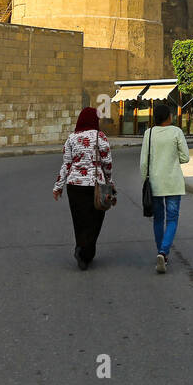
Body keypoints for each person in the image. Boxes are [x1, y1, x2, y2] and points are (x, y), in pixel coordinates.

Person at [53, 107, 114, 270]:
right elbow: (107, 163)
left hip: (74, 186)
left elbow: (66, 164)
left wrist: (58, 186)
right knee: (96, 219)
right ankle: (86, 252)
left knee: (79, 220)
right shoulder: (100, 137)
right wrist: (110, 181)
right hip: (96, 185)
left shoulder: (71, 138)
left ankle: (82, 250)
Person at [140, 102, 189, 274]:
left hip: (155, 183)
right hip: (173, 182)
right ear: (169, 117)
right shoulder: (176, 132)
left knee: (158, 219)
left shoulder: (149, 133)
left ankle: (161, 251)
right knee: (173, 219)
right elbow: (185, 157)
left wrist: (144, 180)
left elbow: (143, 162)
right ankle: (164, 251)